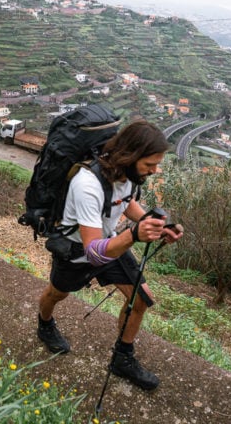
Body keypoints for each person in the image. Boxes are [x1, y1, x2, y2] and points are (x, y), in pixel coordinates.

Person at [37, 120, 182, 390]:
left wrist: (158, 226)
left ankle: (122, 358)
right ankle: (44, 323)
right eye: (150, 165)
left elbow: (126, 204)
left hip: (112, 245)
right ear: (130, 157)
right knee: (57, 294)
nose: (154, 170)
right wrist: (134, 235)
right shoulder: (87, 184)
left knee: (141, 299)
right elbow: (93, 252)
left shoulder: (127, 176)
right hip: (77, 252)